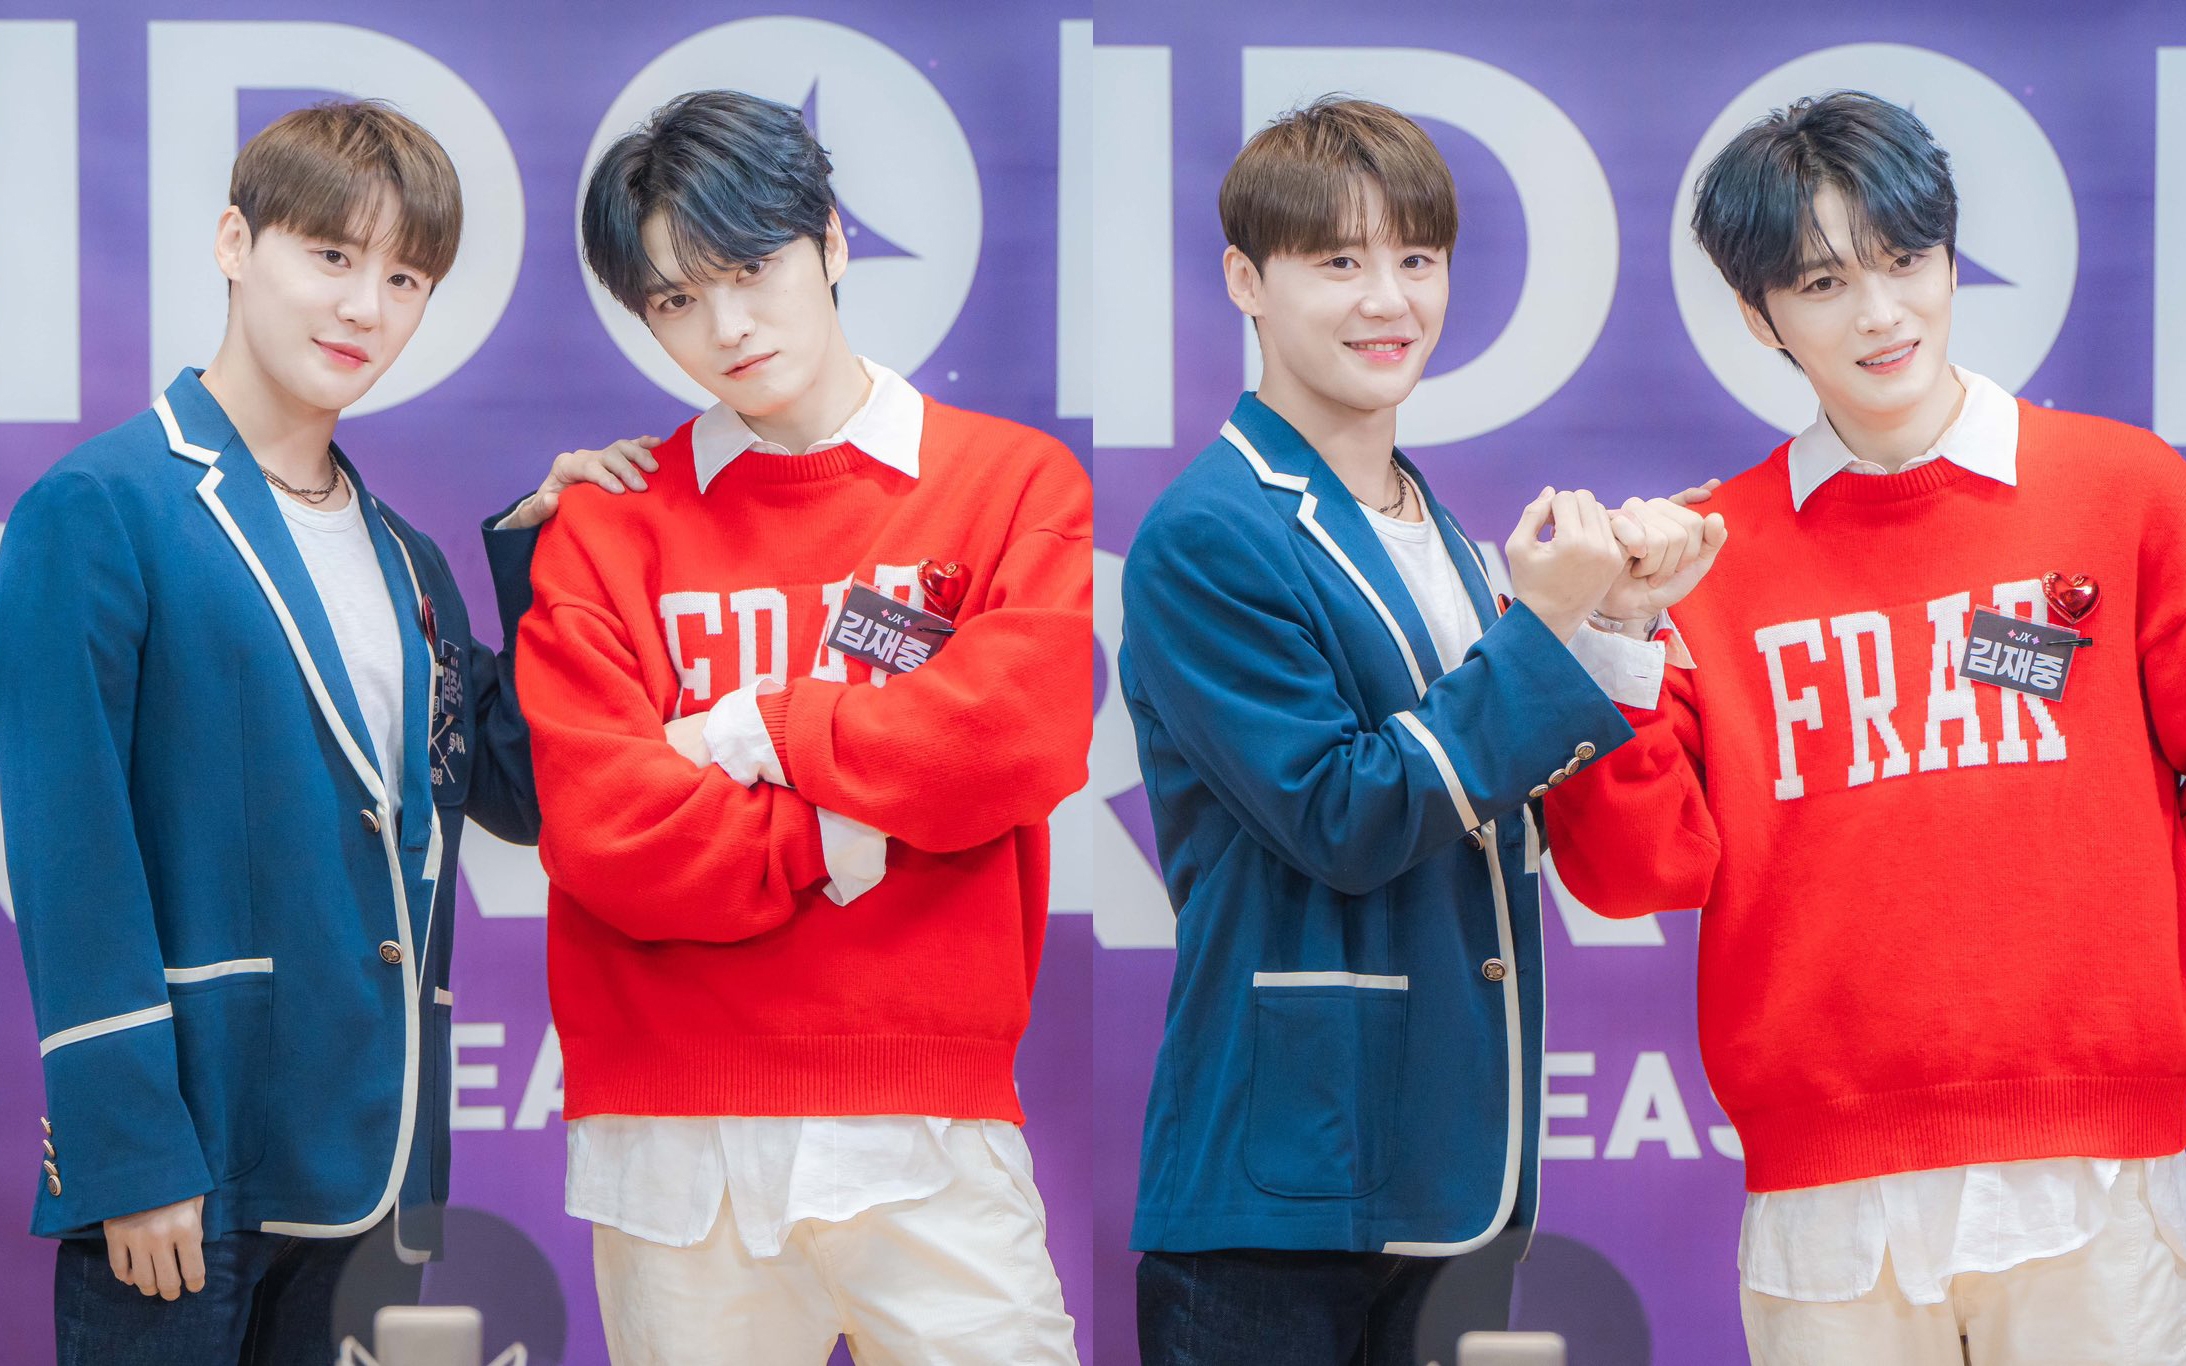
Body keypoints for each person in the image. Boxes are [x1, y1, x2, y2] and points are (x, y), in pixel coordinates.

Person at [0, 99, 644, 1365]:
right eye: (333, 256)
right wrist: (128, 1149)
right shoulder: (98, 507)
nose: (365, 308)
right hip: (191, 1160)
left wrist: (548, 564)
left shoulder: (406, 558)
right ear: (235, 243)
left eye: (404, 279)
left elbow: (518, 790)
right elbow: (70, 853)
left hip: (376, 1165)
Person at [1547, 90, 2186, 1363]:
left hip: (2100, 1168)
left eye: (1903, 261)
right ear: (1758, 315)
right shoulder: (1700, 557)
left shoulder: (2126, 493)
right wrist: (1616, 633)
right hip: (1826, 1202)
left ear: (1950, 260)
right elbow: (1628, 875)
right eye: (1823, 283)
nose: (1880, 313)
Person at [1118, 96, 1721, 1365]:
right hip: (1282, 1193)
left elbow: (1499, 796)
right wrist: (1540, 628)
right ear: (1245, 280)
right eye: (1337, 261)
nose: (1386, 299)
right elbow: (1343, 814)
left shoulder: (1431, 524)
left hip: (1452, 1169)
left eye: (1415, 258)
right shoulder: (1208, 533)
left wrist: (1614, 621)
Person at [518, 89, 1090, 1363]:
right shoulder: (609, 524)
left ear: (830, 240)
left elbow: (1015, 737)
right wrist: (849, 832)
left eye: (749, 269)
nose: (725, 327)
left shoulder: (1005, 483)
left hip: (928, 1116)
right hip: (671, 1135)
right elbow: (608, 831)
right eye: (675, 299)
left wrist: (753, 731)